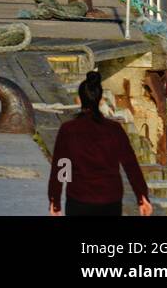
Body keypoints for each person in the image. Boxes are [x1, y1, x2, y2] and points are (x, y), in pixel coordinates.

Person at [49, 71, 151, 217]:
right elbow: (130, 165)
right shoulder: (114, 129)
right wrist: (142, 196)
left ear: (79, 100)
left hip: (79, 199)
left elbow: (62, 166)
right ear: (100, 100)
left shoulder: (68, 129)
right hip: (110, 200)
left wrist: (55, 200)